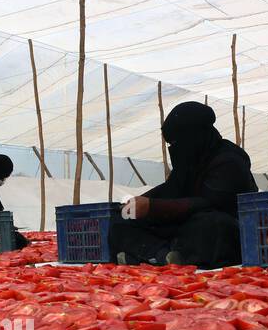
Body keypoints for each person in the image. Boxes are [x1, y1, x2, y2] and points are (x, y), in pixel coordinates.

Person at [109, 101, 256, 267]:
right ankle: (163, 255)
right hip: (184, 225)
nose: (174, 149)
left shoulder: (229, 161)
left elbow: (208, 202)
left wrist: (151, 207)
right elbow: (169, 189)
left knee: (211, 224)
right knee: (120, 220)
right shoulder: (189, 161)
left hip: (223, 228)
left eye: (177, 143)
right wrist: (136, 203)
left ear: (194, 136)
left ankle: (155, 256)